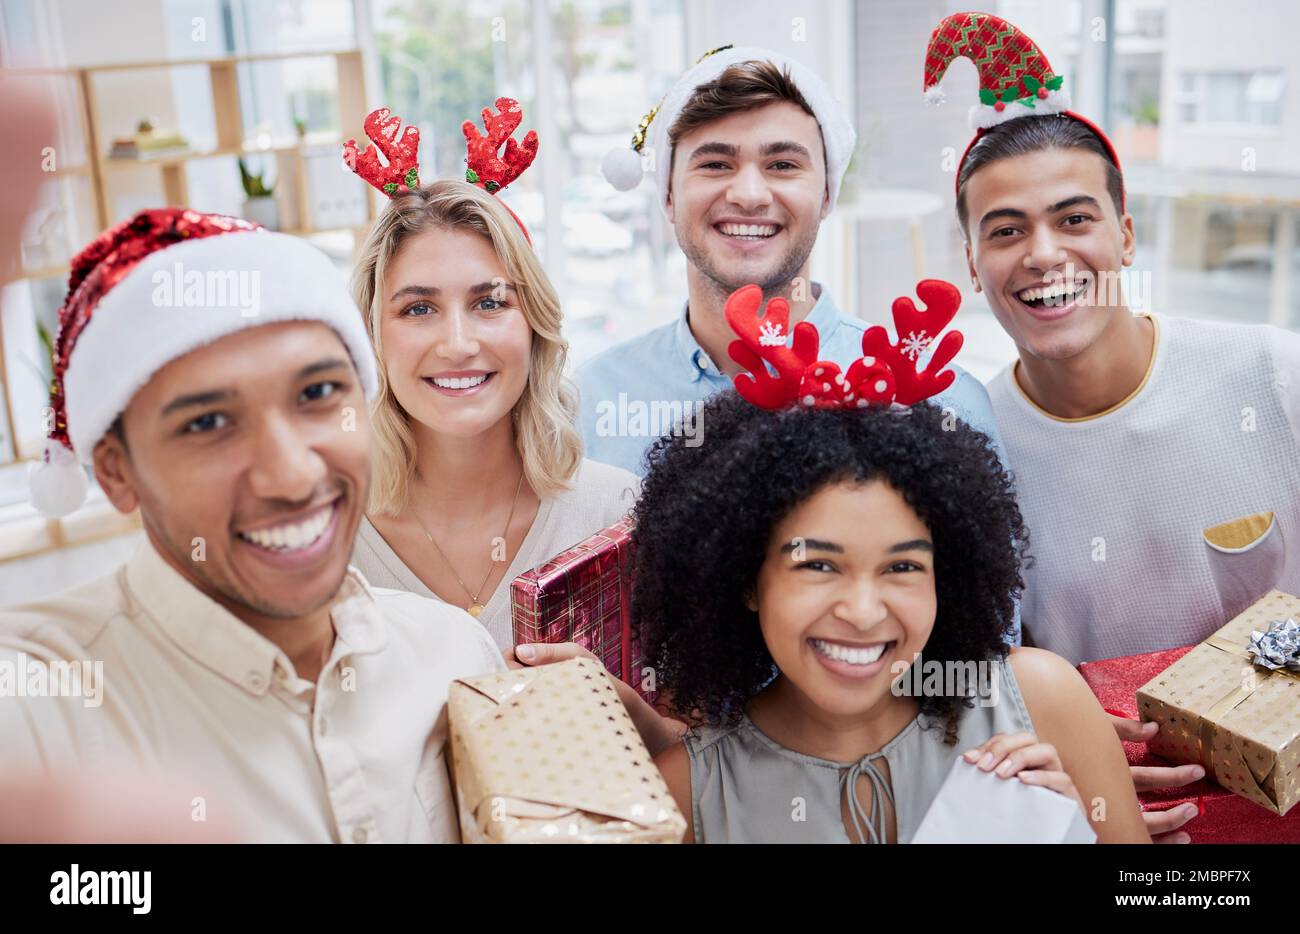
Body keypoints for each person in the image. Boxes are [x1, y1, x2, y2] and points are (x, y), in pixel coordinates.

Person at [1, 209, 506, 842]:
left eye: (318, 393)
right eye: (208, 424)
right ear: (115, 473)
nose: (292, 477)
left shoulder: (450, 655)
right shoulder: (43, 708)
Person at [921, 10, 1300, 841]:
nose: (1044, 252)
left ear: (1125, 236)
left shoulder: (1275, 375)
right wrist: (1080, 779)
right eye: (1006, 231)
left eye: (1075, 218)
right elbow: (969, 682)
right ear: (973, 267)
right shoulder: (964, 452)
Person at [640, 285, 1146, 843]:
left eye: (902, 568)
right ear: (746, 579)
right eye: (819, 567)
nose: (861, 612)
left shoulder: (1042, 701)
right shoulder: (685, 796)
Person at [578, 47, 1011, 505]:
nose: (748, 194)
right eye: (715, 164)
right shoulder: (588, 406)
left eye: (782, 165)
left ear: (826, 195)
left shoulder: (945, 403)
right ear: (667, 195)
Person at [345, 106, 637, 651]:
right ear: (372, 337)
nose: (457, 344)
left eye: (488, 302)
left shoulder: (615, 514)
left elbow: (675, 733)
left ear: (534, 325)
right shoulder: (329, 539)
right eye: (417, 309)